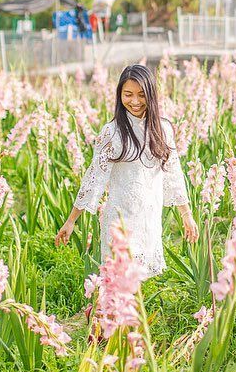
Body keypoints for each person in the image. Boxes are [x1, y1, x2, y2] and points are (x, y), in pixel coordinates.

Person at [55, 64, 198, 278]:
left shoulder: (163, 129)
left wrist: (187, 215)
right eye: (128, 94)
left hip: (149, 220)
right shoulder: (112, 132)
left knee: (135, 284)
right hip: (120, 219)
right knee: (117, 281)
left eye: (142, 95)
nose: (135, 101)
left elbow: (173, 174)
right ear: (119, 95)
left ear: (151, 95)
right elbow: (94, 179)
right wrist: (71, 220)